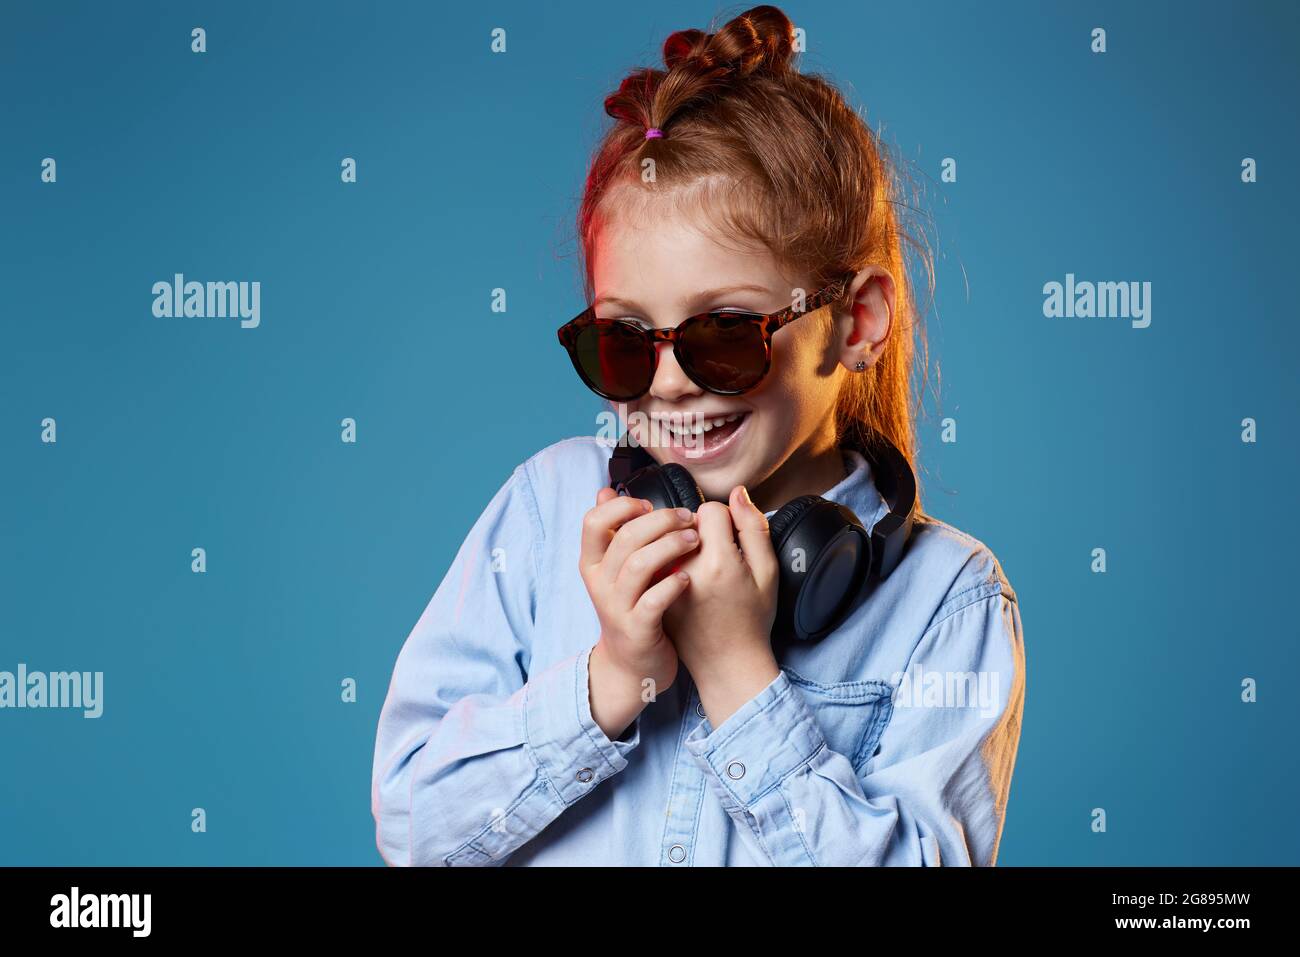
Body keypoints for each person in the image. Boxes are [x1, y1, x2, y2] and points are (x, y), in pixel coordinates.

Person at [372, 4, 1024, 866]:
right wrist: (609, 678)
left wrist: (735, 673)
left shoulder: (950, 599)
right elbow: (414, 830)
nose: (670, 381)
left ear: (856, 322)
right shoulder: (543, 511)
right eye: (625, 343)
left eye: (723, 333)